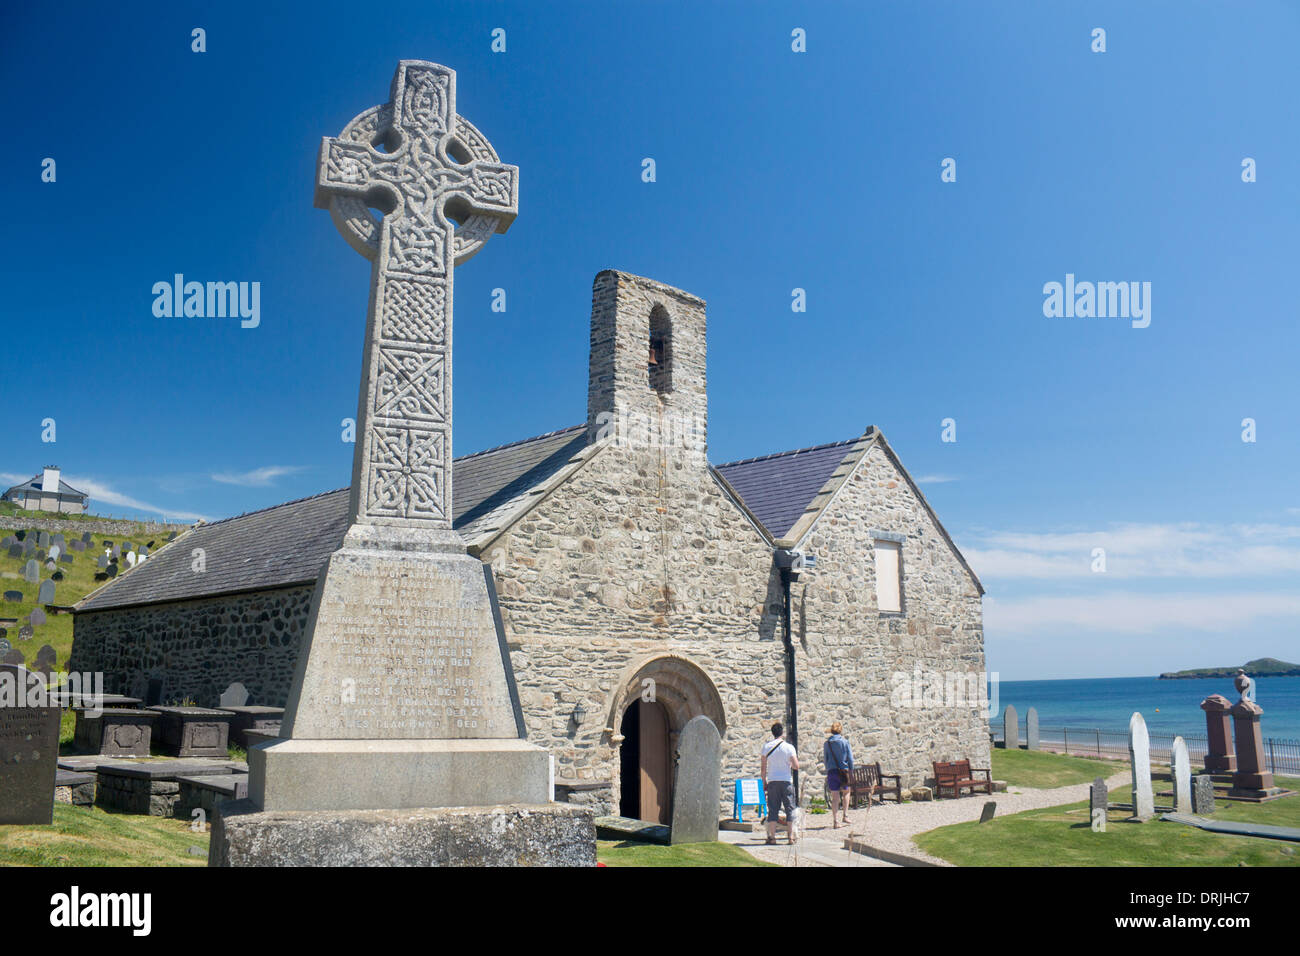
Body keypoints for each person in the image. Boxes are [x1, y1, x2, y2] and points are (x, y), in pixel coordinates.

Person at [761, 722, 800, 845]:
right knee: (790, 809)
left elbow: (763, 768)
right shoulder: (789, 747)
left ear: (772, 733)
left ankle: (772, 837)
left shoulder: (766, 747)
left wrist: (764, 782)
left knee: (773, 810)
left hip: (772, 781)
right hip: (786, 781)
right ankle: (790, 837)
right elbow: (796, 766)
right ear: (782, 732)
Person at [823, 721, 854, 827]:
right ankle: (845, 815)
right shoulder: (845, 742)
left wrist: (828, 770)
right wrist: (851, 770)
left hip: (832, 771)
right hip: (843, 771)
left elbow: (825, 759)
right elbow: (850, 758)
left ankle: (835, 821)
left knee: (835, 797)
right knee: (846, 792)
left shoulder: (827, 744)